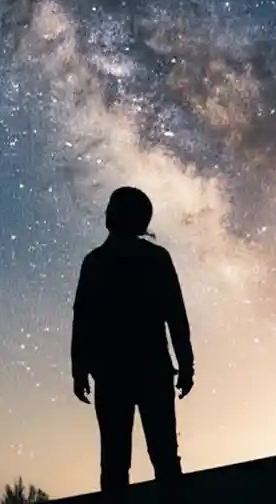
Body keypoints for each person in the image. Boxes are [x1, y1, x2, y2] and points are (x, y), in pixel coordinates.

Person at [71, 186, 195, 504]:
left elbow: (82, 318)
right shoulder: (149, 259)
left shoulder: (99, 262)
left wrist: (80, 368)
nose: (106, 212)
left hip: (122, 373)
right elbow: (175, 315)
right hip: (140, 371)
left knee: (127, 460)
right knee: (152, 457)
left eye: (112, 207)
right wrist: (185, 363)